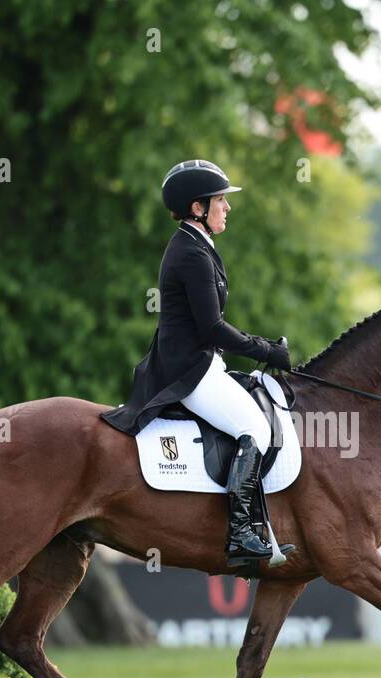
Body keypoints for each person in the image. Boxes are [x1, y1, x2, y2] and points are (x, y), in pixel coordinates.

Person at [101, 160, 293, 566]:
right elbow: (212, 327)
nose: (227, 207)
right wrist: (266, 350)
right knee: (254, 427)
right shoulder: (190, 252)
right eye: (220, 200)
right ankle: (240, 533)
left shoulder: (197, 245)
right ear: (197, 208)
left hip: (201, 363)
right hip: (190, 369)